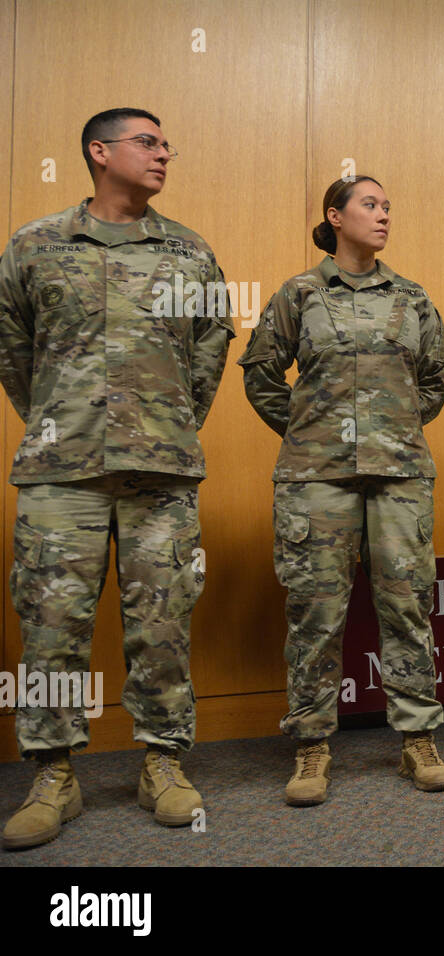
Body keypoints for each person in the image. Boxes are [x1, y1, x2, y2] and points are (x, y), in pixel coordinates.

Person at [0, 108, 233, 850]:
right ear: (99, 152)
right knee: (51, 626)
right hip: (59, 473)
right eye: (148, 141)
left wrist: (166, 424)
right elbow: (13, 349)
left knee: (162, 622)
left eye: (167, 141)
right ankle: (53, 774)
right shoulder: (34, 246)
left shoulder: (190, 252)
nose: (166, 152)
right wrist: (54, 421)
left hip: (160, 472)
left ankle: (162, 762)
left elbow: (208, 353)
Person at [239, 176, 444, 803]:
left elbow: (439, 376)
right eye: (370, 205)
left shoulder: (411, 297)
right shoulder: (300, 293)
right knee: (315, 612)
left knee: (408, 607)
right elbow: (259, 371)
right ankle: (310, 747)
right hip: (317, 479)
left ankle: (418, 739)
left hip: (400, 478)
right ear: (335, 216)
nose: (384, 215)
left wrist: (398, 426)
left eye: (389, 205)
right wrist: (308, 430)